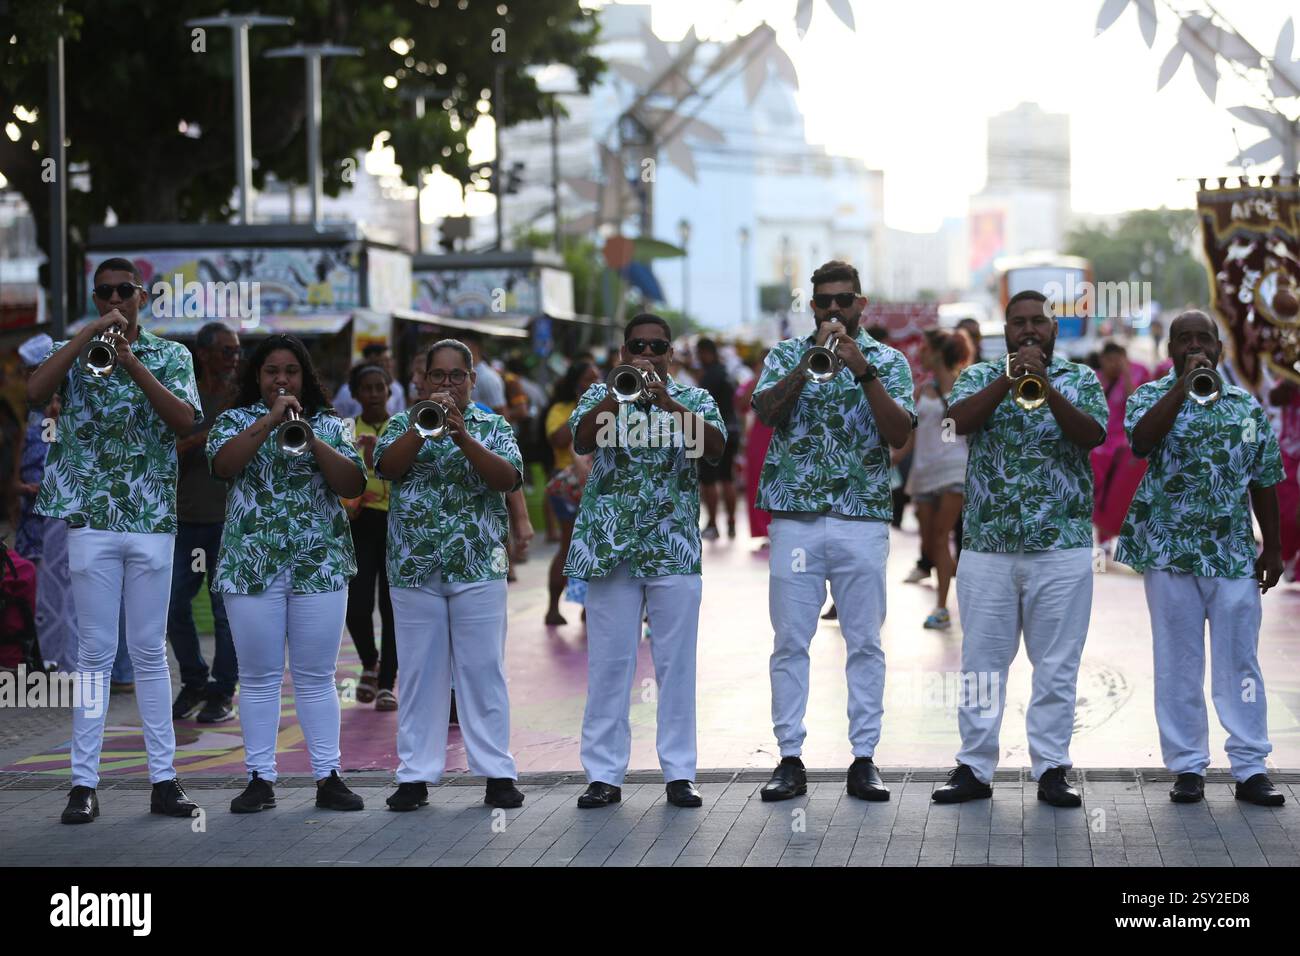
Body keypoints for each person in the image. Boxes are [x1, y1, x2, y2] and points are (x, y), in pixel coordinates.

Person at [28, 257, 202, 824]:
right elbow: (35, 393)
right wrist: (84, 337)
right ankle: (83, 784)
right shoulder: (76, 351)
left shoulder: (172, 355)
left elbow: (184, 423)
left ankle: (164, 780)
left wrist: (129, 359)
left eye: (123, 291)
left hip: (150, 519)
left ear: (142, 295)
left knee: (150, 652)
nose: (113, 299)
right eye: (103, 292)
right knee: (95, 654)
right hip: (91, 520)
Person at [930, 290, 1107, 808]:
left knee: (1056, 665)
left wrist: (1046, 386)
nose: (1029, 330)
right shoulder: (979, 377)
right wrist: (1010, 379)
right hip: (988, 545)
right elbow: (953, 425)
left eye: (1038, 322)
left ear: (1053, 330)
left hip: (1062, 545)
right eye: (1018, 323)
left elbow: (1091, 435)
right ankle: (974, 767)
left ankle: (1052, 767)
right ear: (1003, 331)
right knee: (982, 663)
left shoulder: (1080, 379)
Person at [750, 261, 915, 803]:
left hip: (860, 516)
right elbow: (768, 414)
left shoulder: (887, 361)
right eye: (825, 303)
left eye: (845, 301)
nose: (835, 311)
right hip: (795, 519)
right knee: (790, 642)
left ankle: (863, 758)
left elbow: (897, 435)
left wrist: (860, 368)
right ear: (813, 307)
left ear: (861, 304)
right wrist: (808, 363)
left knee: (864, 642)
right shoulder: (784, 355)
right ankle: (790, 758)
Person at [1116, 310, 1287, 807]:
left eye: (1203, 338)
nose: (1195, 345)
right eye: (1183, 339)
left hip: (1232, 552)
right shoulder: (1150, 396)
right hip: (1168, 552)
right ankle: (1188, 766)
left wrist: (1272, 547)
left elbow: (1264, 479)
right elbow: (1142, 442)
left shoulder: (1245, 407)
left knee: (1241, 663)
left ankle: (1251, 767)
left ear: (1219, 346)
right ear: (1170, 351)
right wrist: (1182, 387)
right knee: (1177, 662)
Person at [566, 313, 726, 809]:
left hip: (672, 548)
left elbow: (716, 449)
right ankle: (604, 775)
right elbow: (582, 440)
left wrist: (668, 403)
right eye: (638, 345)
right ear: (623, 353)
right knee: (609, 666)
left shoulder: (694, 399)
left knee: (675, 665)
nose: (648, 354)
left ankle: (679, 773)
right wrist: (620, 395)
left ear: (671, 354)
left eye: (657, 346)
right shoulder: (601, 395)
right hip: (610, 548)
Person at [207, 334, 368, 813]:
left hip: (319, 562)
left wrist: (310, 435)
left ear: (305, 377)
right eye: (271, 371)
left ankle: (329, 776)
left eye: (290, 371)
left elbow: (353, 483)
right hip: (251, 563)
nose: (281, 379)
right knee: (257, 677)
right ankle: (259, 777)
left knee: (317, 676)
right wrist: (269, 421)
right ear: (256, 377)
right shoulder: (235, 421)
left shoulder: (331, 424)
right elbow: (222, 466)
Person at [376, 339, 526, 812]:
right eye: (436, 376)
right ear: (420, 380)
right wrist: (424, 431)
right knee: (420, 674)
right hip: (414, 567)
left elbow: (508, 479)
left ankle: (497, 773)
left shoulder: (492, 425)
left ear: (471, 380)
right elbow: (385, 468)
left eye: (455, 376)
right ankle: (416, 776)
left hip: (478, 566)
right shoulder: (401, 425)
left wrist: (462, 436)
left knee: (483, 672)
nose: (445, 385)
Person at [168, 321, 241, 723]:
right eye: (227, 351)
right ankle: (194, 678)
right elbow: (165, 453)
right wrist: (203, 436)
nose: (234, 358)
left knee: (224, 610)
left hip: (228, 521)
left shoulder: (241, 397)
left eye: (236, 351)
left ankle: (221, 690)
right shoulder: (182, 393)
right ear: (205, 353)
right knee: (174, 605)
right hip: (185, 520)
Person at [900, 329, 971, 629]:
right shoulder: (923, 390)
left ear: (939, 353)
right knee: (930, 544)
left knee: (942, 538)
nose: (921, 355)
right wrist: (891, 458)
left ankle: (941, 608)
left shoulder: (965, 386)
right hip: (924, 471)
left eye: (926, 349)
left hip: (955, 468)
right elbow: (912, 436)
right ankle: (964, 576)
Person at [343, 362, 398, 711]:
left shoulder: (405, 427)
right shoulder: (346, 429)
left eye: (380, 387)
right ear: (356, 393)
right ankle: (369, 663)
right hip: (359, 524)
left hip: (397, 525)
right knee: (356, 604)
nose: (375, 393)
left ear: (390, 390)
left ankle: (387, 682)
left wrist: (380, 453)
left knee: (392, 606)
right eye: (368, 388)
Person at [543, 359, 599, 626]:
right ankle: (552, 608)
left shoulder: (608, 405)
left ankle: (589, 608)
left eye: (597, 378)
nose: (594, 383)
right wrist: (582, 409)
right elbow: (558, 439)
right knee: (567, 547)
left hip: (596, 483)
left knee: (597, 548)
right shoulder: (560, 409)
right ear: (576, 382)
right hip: (567, 485)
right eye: (588, 379)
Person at [1092, 342, 1151, 547]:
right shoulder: (1095, 379)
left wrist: (1125, 375)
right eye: (1109, 360)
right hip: (1101, 442)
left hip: (1124, 443)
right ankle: (1103, 535)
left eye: (1118, 359)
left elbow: (1138, 402)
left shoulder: (1138, 372)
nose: (1113, 364)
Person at [695, 338, 739, 540]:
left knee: (709, 480)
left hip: (715, 432)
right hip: (733, 428)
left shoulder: (710, 376)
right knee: (727, 477)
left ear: (706, 352)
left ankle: (713, 523)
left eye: (699, 354)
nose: (698, 359)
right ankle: (731, 522)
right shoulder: (727, 373)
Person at [737, 351, 774, 548]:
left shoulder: (789, 380)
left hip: (781, 436)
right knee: (757, 484)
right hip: (758, 438)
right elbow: (741, 406)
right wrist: (757, 379)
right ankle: (765, 530)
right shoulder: (750, 382)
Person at [1266, 378, 1300, 580]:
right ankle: (1288, 555)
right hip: (1289, 451)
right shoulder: (1286, 382)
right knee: (1286, 513)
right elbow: (1274, 398)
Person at [332, 343, 406, 418]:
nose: (374, 394)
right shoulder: (346, 390)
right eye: (383, 361)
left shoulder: (397, 389)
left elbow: (400, 418)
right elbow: (337, 417)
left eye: (389, 360)